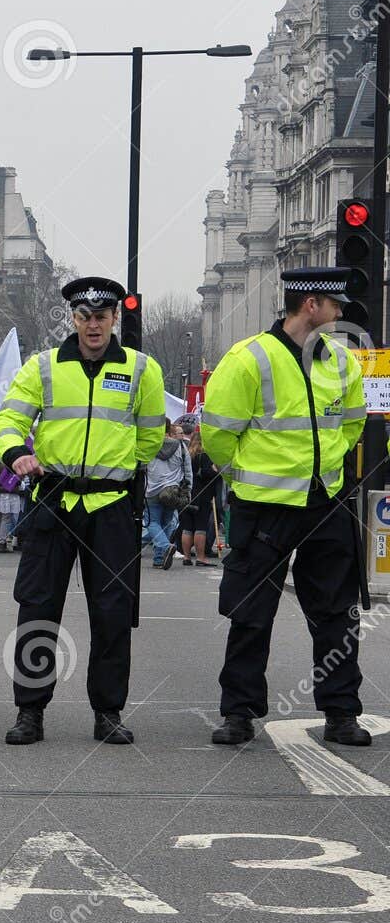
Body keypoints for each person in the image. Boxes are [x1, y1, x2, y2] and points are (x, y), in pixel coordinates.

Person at [0, 276, 167, 746]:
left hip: (111, 506)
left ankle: (107, 712)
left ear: (115, 319)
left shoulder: (141, 369)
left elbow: (150, 436)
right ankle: (29, 711)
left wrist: (122, 469)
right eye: (85, 316)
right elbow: (7, 420)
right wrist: (15, 454)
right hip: (54, 500)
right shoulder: (43, 367)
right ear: (72, 318)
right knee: (38, 609)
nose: (93, 325)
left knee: (111, 613)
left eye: (102, 316)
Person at [201, 267, 370, 748]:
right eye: (336, 305)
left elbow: (352, 425)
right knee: (251, 614)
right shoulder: (249, 358)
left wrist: (328, 472)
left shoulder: (340, 360)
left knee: (337, 614)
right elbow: (217, 435)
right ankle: (239, 713)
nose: (342, 314)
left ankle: (341, 712)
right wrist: (247, 478)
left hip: (325, 504)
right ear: (311, 304)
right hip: (265, 508)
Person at [143, 420, 193, 569]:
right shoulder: (181, 446)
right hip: (172, 490)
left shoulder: (149, 445)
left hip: (151, 489)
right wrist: (188, 489)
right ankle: (159, 558)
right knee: (166, 523)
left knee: (152, 522)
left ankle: (164, 548)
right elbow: (187, 469)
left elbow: (141, 467)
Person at [179, 426, 222, 565]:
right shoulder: (205, 456)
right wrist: (215, 471)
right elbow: (207, 473)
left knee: (187, 527)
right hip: (202, 494)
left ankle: (186, 557)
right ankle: (200, 557)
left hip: (186, 493)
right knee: (200, 527)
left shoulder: (185, 455)